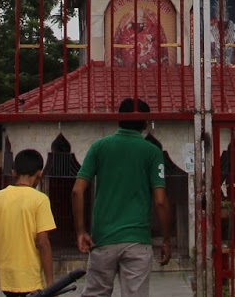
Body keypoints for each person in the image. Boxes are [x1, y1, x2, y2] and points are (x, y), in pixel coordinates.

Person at [71, 99, 172, 297]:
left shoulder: (99, 147)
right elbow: (160, 201)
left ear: (118, 120)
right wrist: (166, 240)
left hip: (103, 239)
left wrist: (81, 231)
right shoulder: (152, 152)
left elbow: (77, 190)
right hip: (137, 241)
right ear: (145, 123)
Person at [0, 149, 56, 297]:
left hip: (5, 278)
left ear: (14, 172)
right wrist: (51, 283)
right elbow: (43, 243)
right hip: (30, 279)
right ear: (40, 173)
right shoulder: (40, 200)